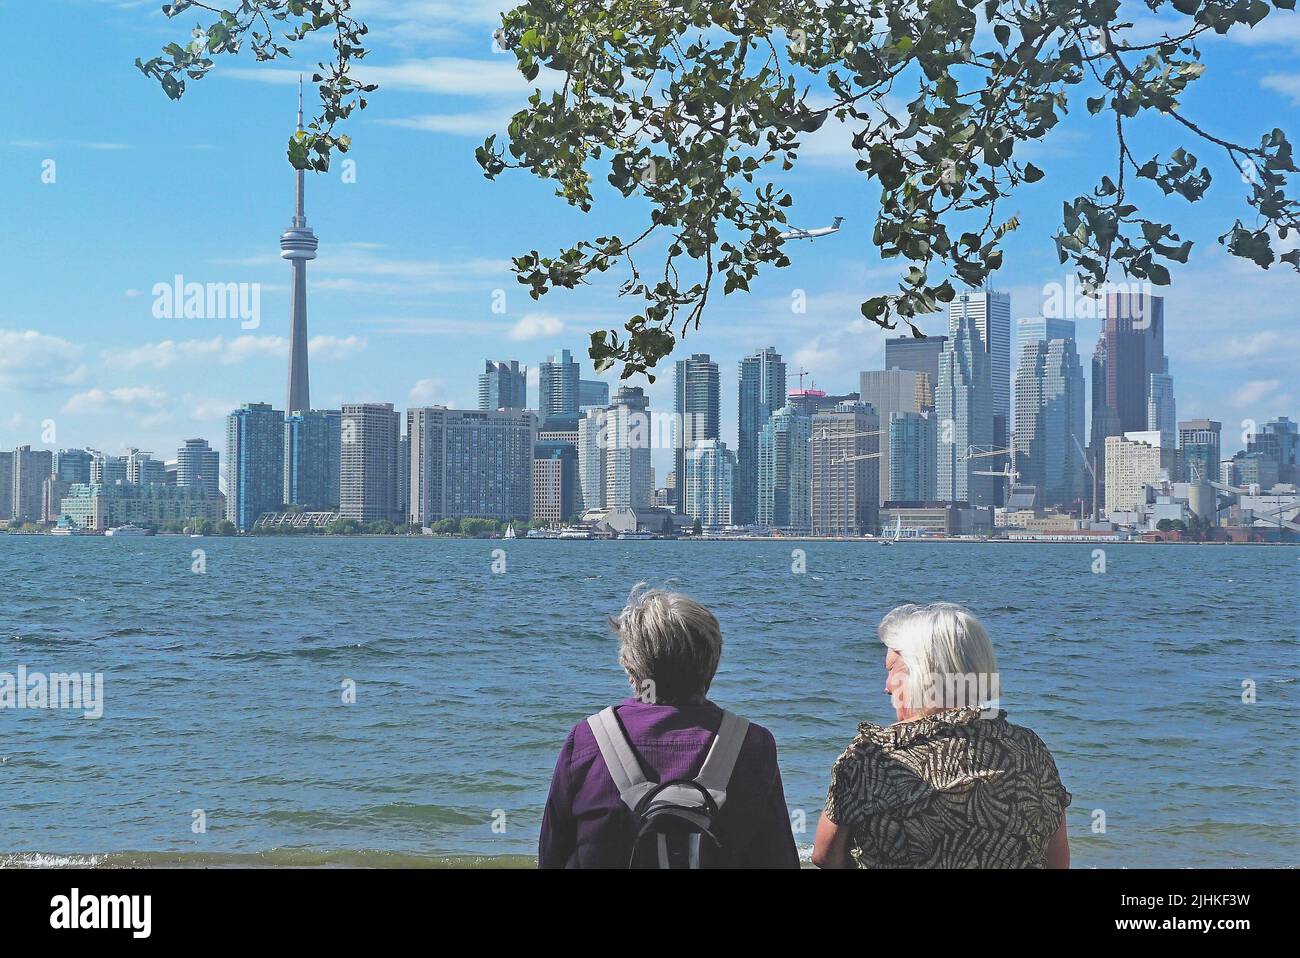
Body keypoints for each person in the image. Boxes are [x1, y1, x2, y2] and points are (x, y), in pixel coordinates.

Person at [539, 585, 799, 868]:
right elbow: (779, 860)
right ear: (712, 663)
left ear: (631, 669)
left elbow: (552, 857)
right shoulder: (753, 745)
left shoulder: (587, 741)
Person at [812, 603, 1071, 869]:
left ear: (920, 672)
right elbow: (1058, 862)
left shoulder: (872, 756)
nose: (887, 687)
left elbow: (826, 857)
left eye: (892, 670)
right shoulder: (1029, 749)